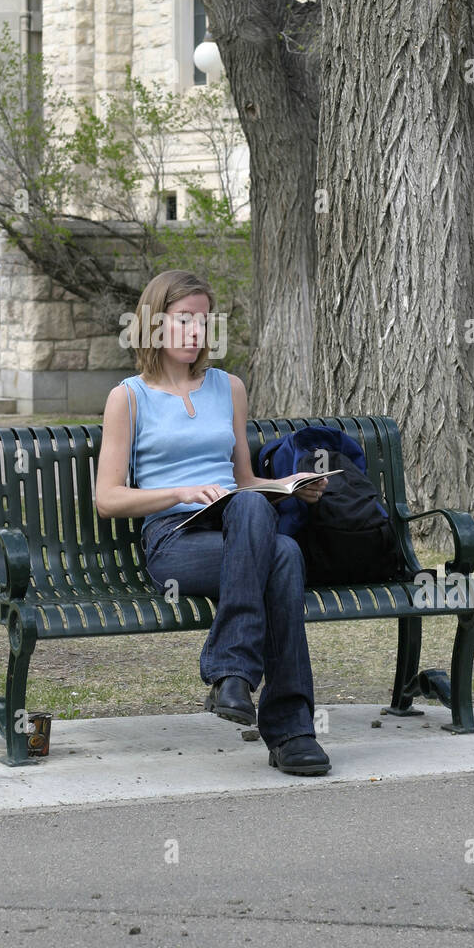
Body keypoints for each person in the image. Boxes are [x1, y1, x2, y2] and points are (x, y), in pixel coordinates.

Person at [94, 269, 331, 776]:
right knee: (282, 554)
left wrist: (290, 485)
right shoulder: (128, 397)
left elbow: (243, 481)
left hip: (236, 526)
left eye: (203, 321)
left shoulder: (229, 388)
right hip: (175, 537)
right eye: (183, 320)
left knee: (264, 525)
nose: (196, 332)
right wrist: (180, 492)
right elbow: (108, 499)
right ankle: (289, 729)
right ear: (154, 325)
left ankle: (234, 678)